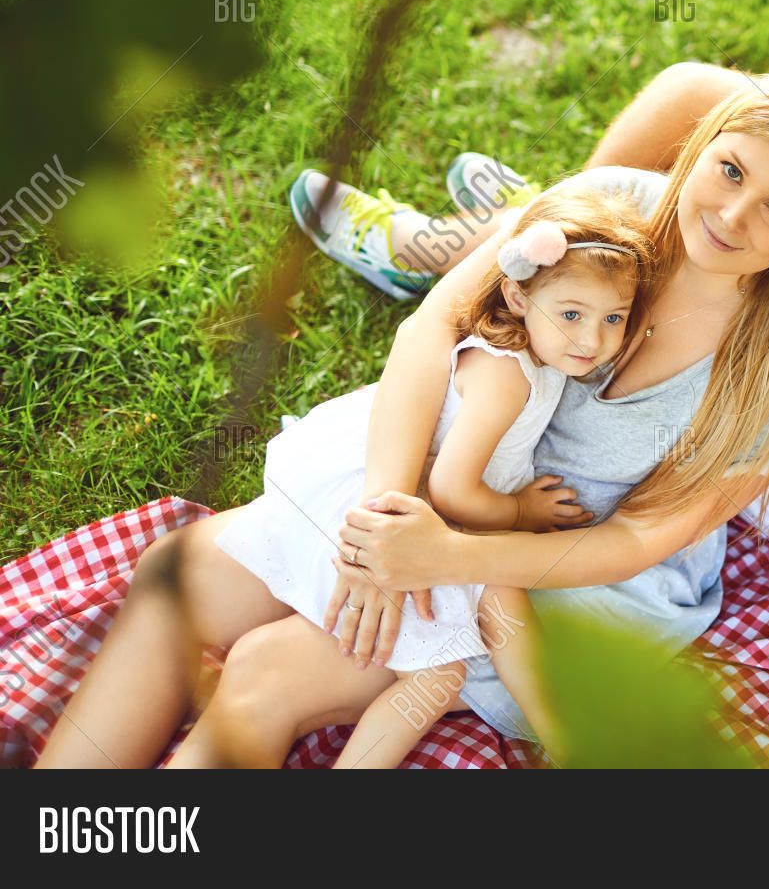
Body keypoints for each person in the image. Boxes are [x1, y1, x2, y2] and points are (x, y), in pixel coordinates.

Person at [35, 73, 769, 768]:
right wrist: (379, 525)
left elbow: (635, 542)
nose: (734, 215)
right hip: (457, 484)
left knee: (264, 672)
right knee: (175, 576)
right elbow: (433, 327)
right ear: (701, 146)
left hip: (563, 580)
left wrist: (444, 554)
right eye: (730, 170)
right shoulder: (611, 207)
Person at [315, 55, 769, 668]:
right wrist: (378, 521)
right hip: (730, 297)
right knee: (694, 94)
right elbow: (432, 329)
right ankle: (543, 249)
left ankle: (520, 240)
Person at [213, 187, 654, 766]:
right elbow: (451, 489)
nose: (592, 339)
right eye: (571, 314)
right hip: (401, 499)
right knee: (452, 658)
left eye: (613, 318)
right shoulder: (506, 377)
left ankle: (561, 734)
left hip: (432, 504)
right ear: (518, 297)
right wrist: (521, 513)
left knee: (472, 631)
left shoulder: (540, 356)